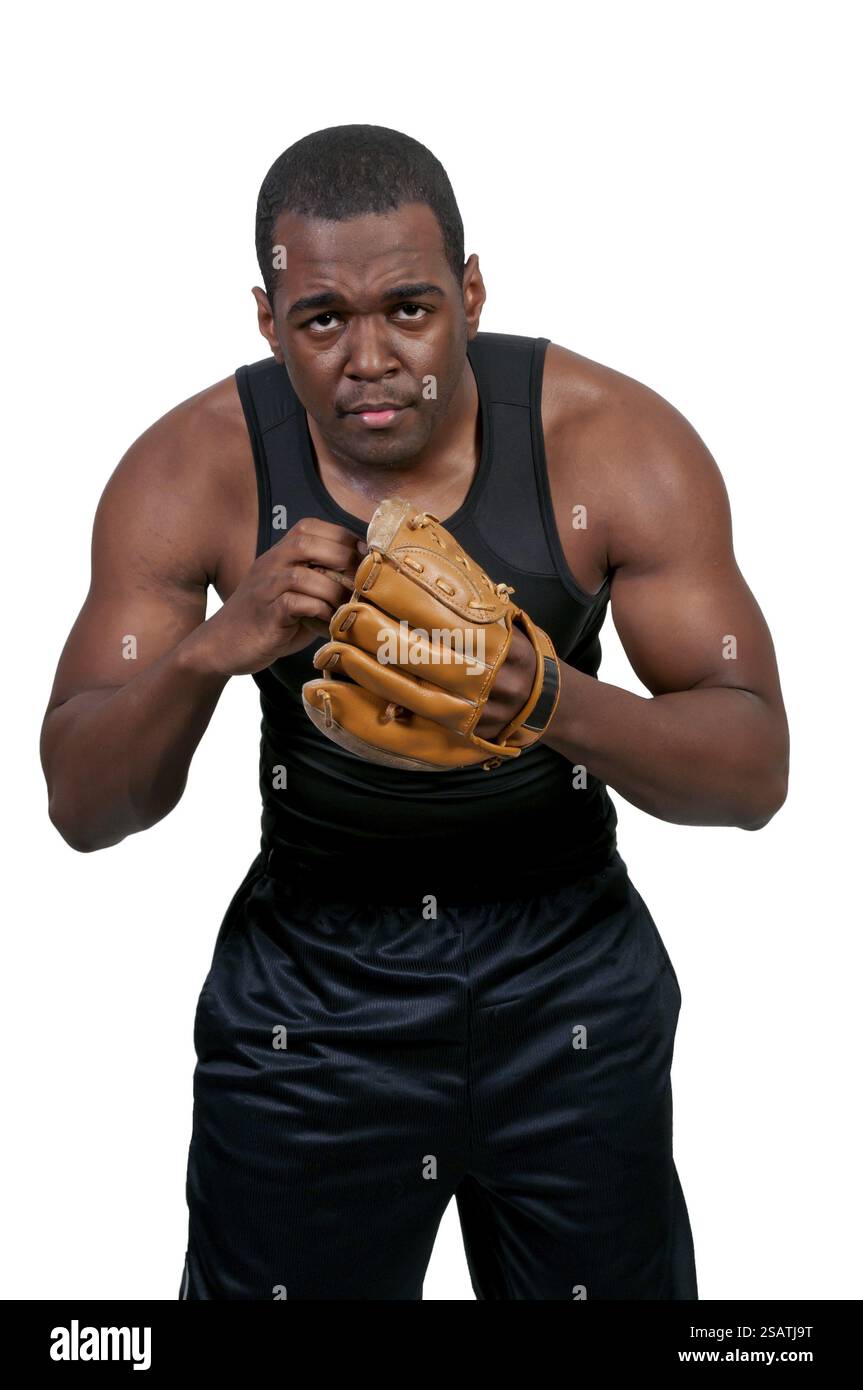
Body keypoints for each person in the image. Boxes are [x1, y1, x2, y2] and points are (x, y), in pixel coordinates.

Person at [40, 124, 789, 1301]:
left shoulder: (609, 444)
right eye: (322, 320)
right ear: (265, 321)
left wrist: (550, 697)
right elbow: (83, 804)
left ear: (471, 292)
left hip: (569, 982)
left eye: (409, 307)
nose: (370, 358)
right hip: (310, 993)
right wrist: (206, 652)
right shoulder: (194, 468)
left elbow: (750, 770)